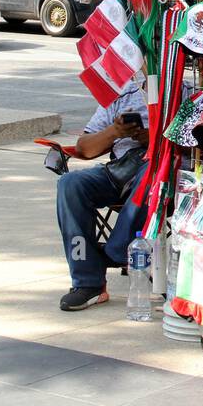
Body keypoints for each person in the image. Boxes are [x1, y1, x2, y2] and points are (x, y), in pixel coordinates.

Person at [55, 81, 151, 311]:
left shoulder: (186, 92)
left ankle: (119, 250)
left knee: (153, 172)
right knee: (70, 183)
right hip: (120, 169)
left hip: (159, 173)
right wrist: (115, 132)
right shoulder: (123, 94)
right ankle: (88, 283)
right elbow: (85, 148)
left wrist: (157, 139)